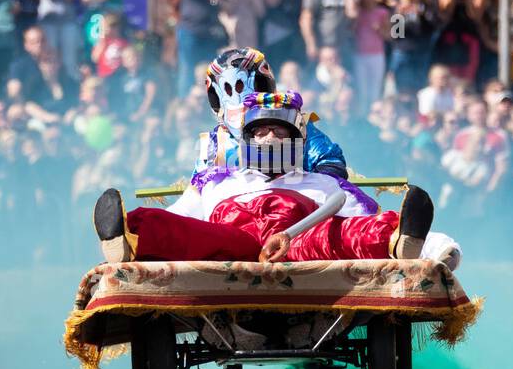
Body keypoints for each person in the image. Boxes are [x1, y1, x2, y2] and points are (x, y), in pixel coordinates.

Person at [91, 91, 448, 264]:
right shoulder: (217, 183)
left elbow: (363, 221)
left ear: (298, 139)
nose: (268, 138)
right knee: (176, 228)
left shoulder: (325, 184)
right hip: (234, 241)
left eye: (279, 130)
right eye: (260, 131)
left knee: (341, 233)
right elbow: (183, 218)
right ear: (246, 138)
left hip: (300, 242)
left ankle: (401, 242)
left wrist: (440, 249)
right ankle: (129, 236)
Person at [196, 47, 348, 178]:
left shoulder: (296, 123)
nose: (237, 97)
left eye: (242, 87)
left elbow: (331, 164)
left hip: (294, 207)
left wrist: (309, 187)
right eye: (227, 89)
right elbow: (196, 195)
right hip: (233, 211)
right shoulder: (214, 143)